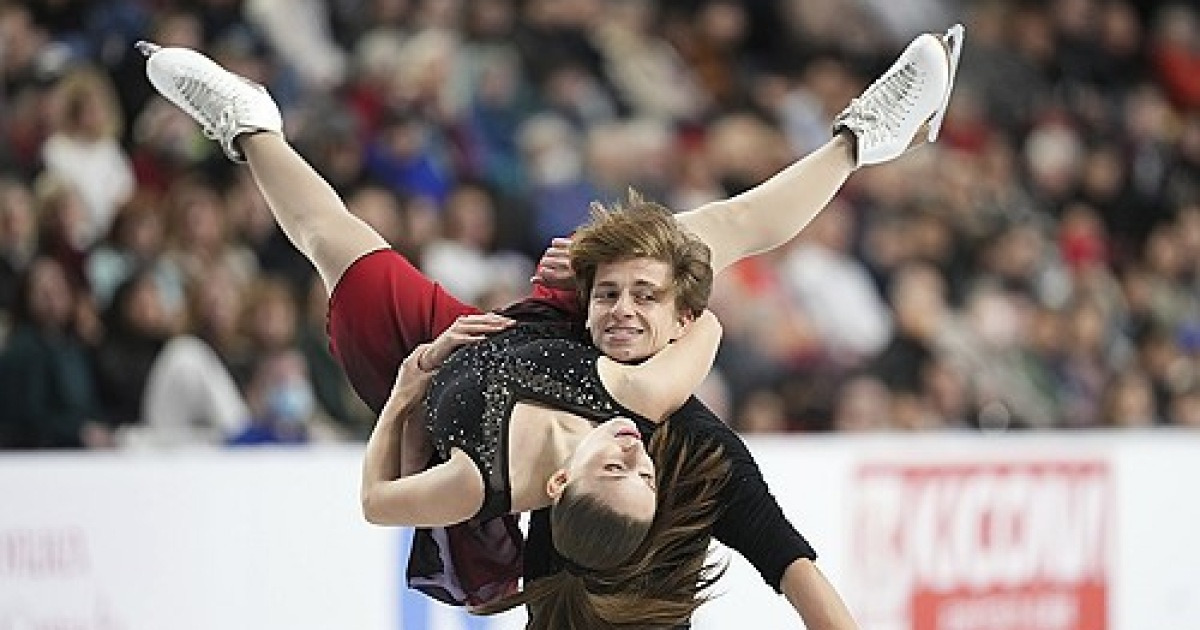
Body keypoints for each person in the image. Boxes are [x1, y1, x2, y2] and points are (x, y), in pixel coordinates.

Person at [136, 22, 963, 628]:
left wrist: (403, 392)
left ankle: (248, 127)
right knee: (705, 234)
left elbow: (378, 501)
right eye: (642, 471)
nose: (635, 453)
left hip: (460, 362)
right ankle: (863, 139)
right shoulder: (658, 406)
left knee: (337, 243)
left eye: (622, 471)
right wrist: (644, 285)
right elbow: (799, 571)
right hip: (556, 334)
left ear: (566, 486)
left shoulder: (532, 476)